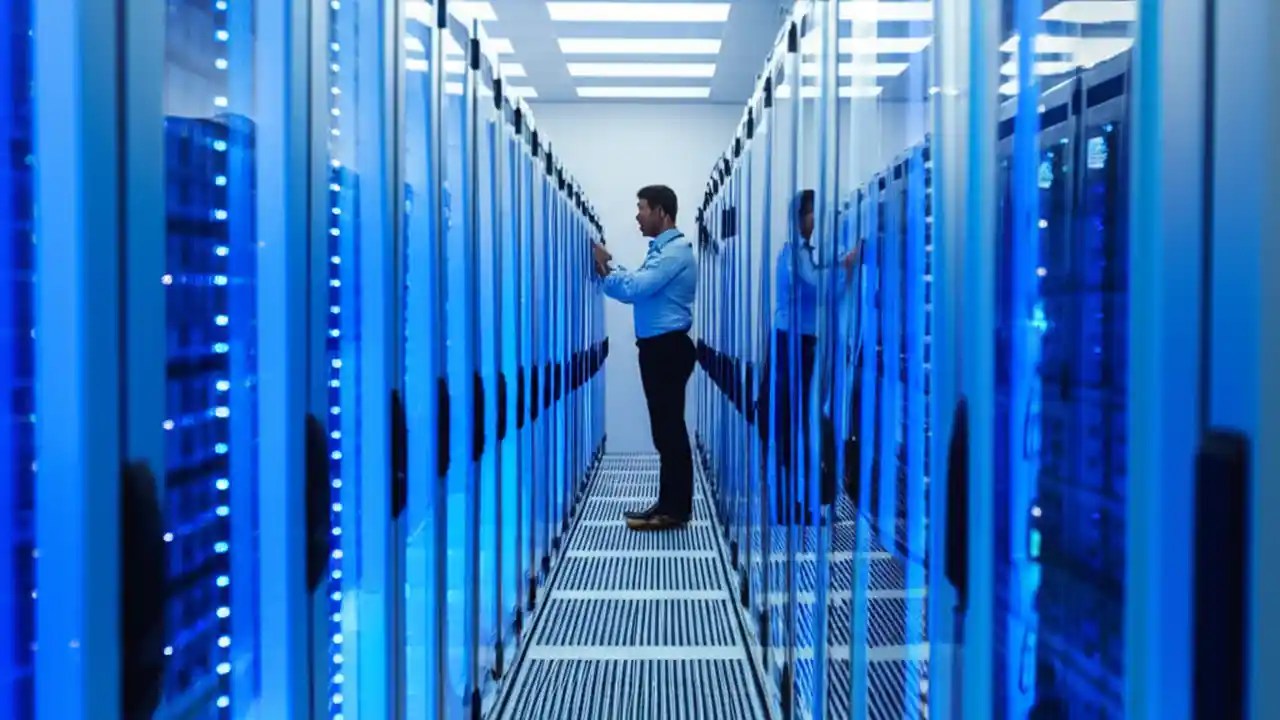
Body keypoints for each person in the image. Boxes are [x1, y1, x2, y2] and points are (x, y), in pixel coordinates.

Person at [592, 185, 698, 530]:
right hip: (659, 349)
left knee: (670, 432)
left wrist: (605, 271)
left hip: (667, 349)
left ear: (662, 212)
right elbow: (640, 281)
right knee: (665, 431)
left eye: (642, 208)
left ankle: (675, 510)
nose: (638, 216)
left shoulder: (676, 252)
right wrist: (611, 266)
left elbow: (637, 289)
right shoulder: (662, 251)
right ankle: (666, 504)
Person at [758, 189, 858, 525]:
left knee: (795, 422)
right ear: (802, 217)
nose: (816, 220)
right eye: (813, 213)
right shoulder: (796, 253)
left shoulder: (797, 252)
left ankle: (793, 502)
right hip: (793, 345)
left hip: (795, 343)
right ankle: (789, 505)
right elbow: (816, 285)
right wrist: (846, 264)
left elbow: (821, 289)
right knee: (793, 422)